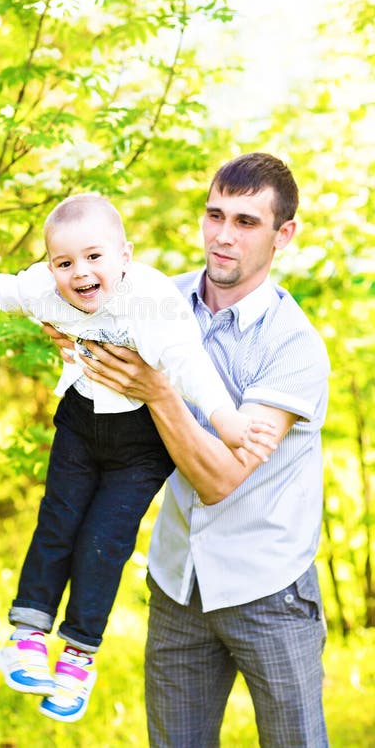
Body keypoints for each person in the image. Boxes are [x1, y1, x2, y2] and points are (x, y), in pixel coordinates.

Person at [0, 192, 277, 724]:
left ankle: (79, 655)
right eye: (64, 263)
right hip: (82, 424)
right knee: (57, 522)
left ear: (125, 256)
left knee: (104, 543)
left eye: (94, 257)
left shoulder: (152, 302)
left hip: (141, 445)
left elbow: (188, 364)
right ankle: (29, 635)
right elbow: (5, 289)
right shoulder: (44, 288)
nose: (79, 273)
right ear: (51, 266)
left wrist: (227, 421)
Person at [46, 154, 330, 746]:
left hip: (269, 588)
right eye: (214, 214)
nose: (223, 236)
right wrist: (70, 337)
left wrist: (156, 390)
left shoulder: (295, 347)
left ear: (285, 235)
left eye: (247, 222)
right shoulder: (151, 301)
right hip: (178, 582)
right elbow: (69, 295)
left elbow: (220, 479)